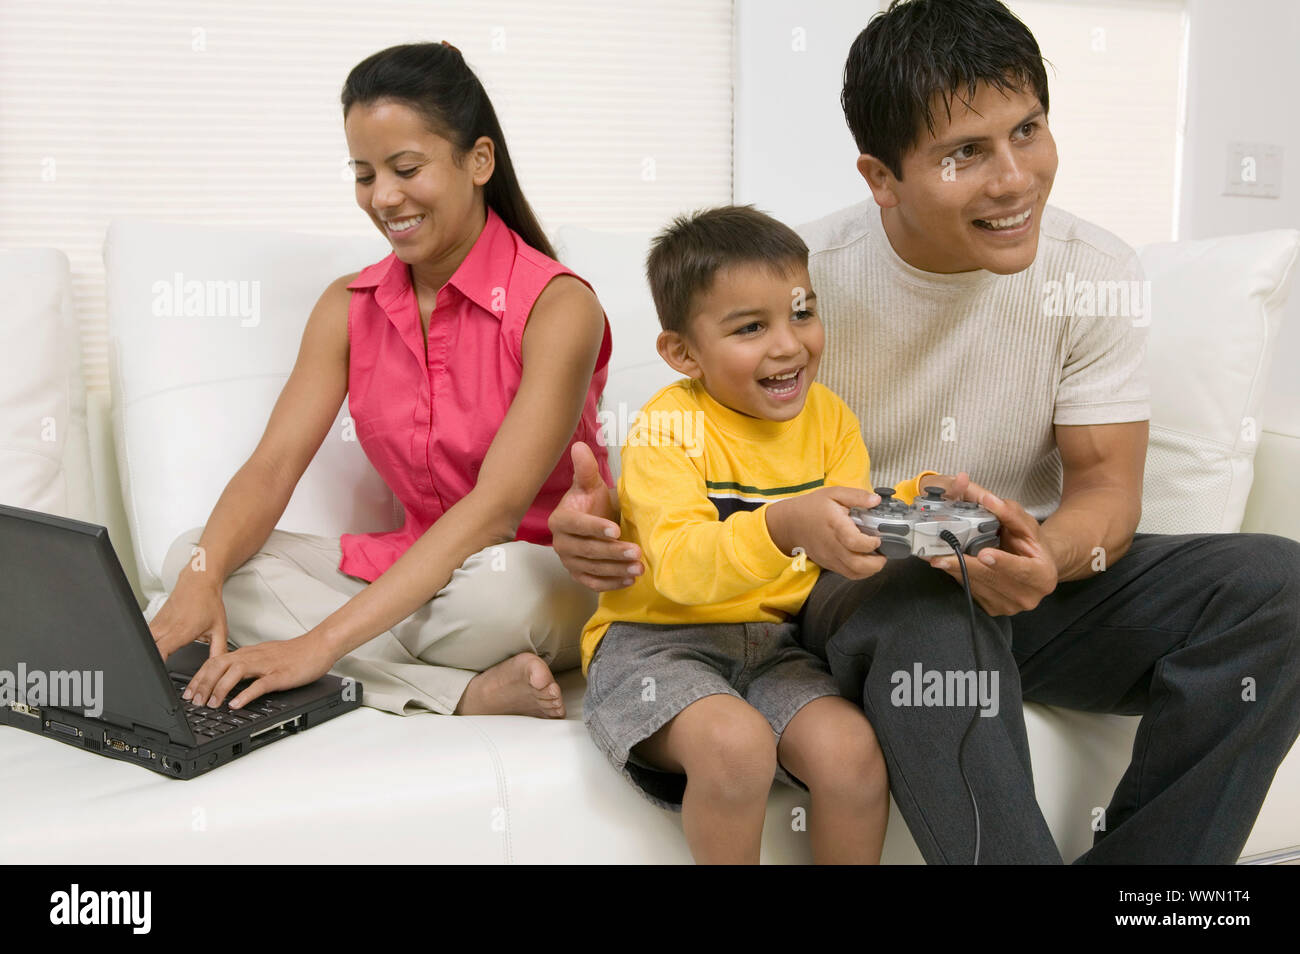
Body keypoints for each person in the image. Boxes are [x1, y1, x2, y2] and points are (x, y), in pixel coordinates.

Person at [551, 0, 1300, 863]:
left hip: (1011, 574)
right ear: (881, 176)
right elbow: (706, 451)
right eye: (965, 153)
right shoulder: (802, 292)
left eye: (1028, 131)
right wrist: (612, 523)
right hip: (864, 593)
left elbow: (1105, 493)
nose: (1014, 178)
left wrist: (1043, 557)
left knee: (1274, 582)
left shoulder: (1093, 275)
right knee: (925, 597)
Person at [149, 41, 614, 720]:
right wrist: (204, 577)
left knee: (505, 596)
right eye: (364, 174)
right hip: (418, 573)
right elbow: (274, 467)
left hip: (534, 570)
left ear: (478, 160)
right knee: (190, 557)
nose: (383, 197)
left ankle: (336, 657)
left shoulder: (558, 305)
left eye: (405, 168)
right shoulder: (349, 305)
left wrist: (316, 644)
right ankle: (457, 691)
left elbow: (495, 513)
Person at [583, 205, 929, 864]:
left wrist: (922, 502)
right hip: (657, 645)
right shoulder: (666, 428)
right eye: (750, 327)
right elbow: (681, 568)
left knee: (853, 755)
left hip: (774, 645)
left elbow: (851, 519)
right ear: (683, 352)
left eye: (802, 312)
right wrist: (777, 525)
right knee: (737, 746)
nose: (788, 344)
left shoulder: (831, 421)